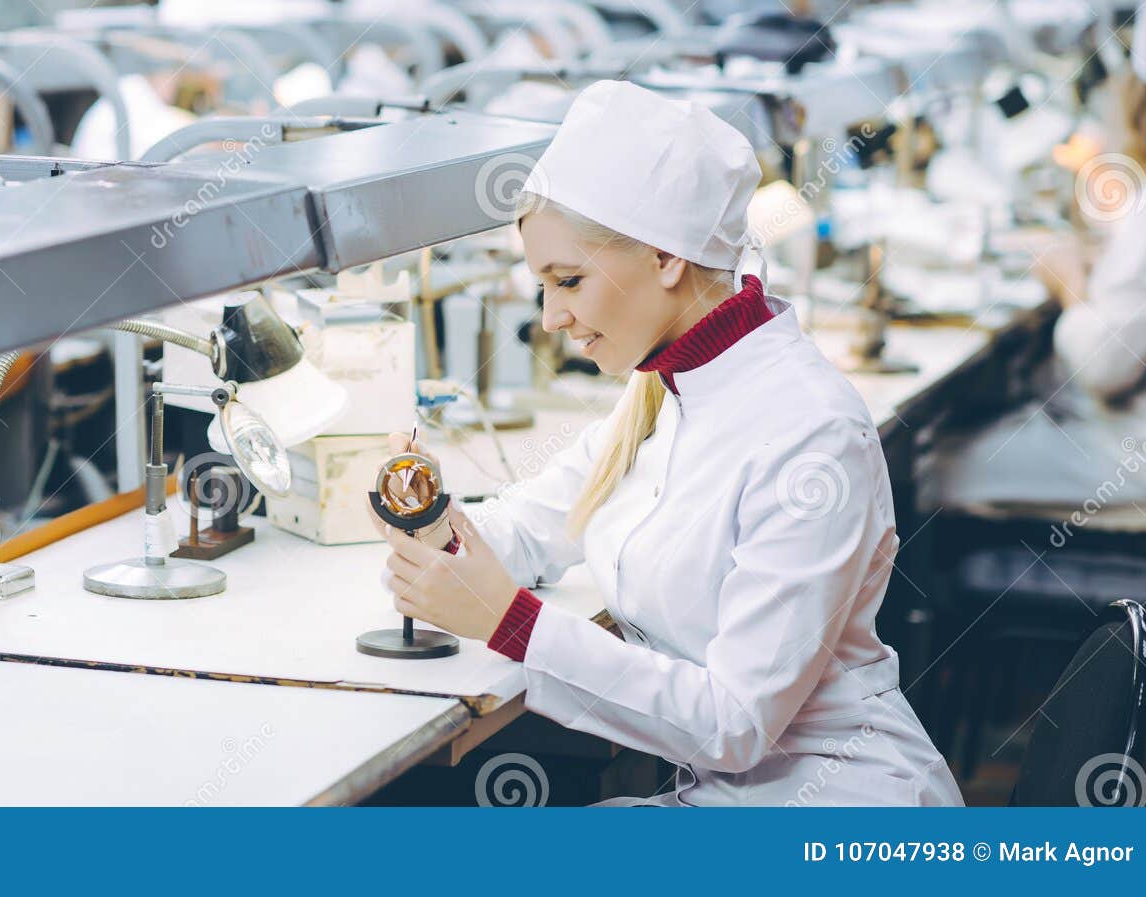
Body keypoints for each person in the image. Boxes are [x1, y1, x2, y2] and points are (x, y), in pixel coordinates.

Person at [374, 80, 963, 806]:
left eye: (570, 281)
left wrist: (511, 622)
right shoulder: (666, 387)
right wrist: (431, 519)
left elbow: (735, 723)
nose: (552, 317)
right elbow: (532, 525)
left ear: (665, 258)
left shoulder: (811, 433)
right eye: (543, 286)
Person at [921, 0, 1146, 520]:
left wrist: (1070, 285)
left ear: (1144, 98)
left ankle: (938, 605)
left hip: (1140, 456)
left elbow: (1102, 368)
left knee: (932, 465)